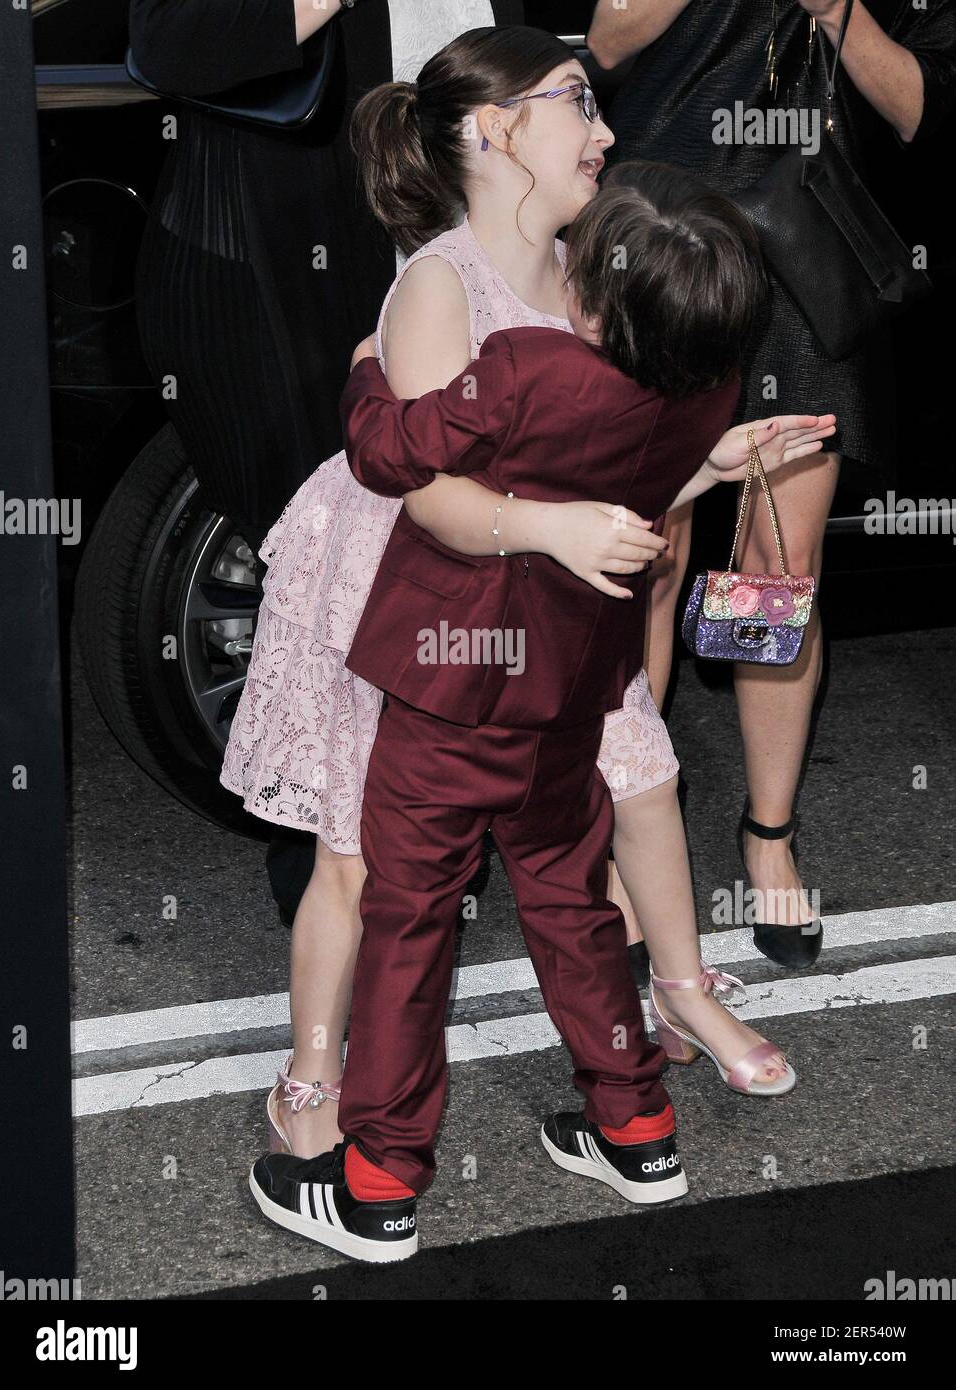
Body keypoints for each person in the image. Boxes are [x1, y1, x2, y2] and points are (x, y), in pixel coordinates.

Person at [224, 29, 820, 1165]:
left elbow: (592, 439)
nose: (604, 132)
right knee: (363, 859)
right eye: (577, 106)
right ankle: (313, 1070)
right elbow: (429, 498)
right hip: (413, 599)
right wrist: (552, 524)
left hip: (549, 611)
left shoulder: (589, 260)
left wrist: (708, 459)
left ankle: (671, 995)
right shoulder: (439, 283)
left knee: (635, 781)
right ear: (494, 131)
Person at [128, 0, 525, 928]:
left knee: (444, 568)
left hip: (466, 263)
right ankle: (331, 870)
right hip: (280, 282)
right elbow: (169, 42)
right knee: (324, 578)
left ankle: (427, 844)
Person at [587, 0, 956, 967]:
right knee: (648, 562)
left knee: (773, 576)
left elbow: (922, 106)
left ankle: (769, 840)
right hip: (658, 249)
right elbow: (610, 38)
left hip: (797, 257)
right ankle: (626, 838)